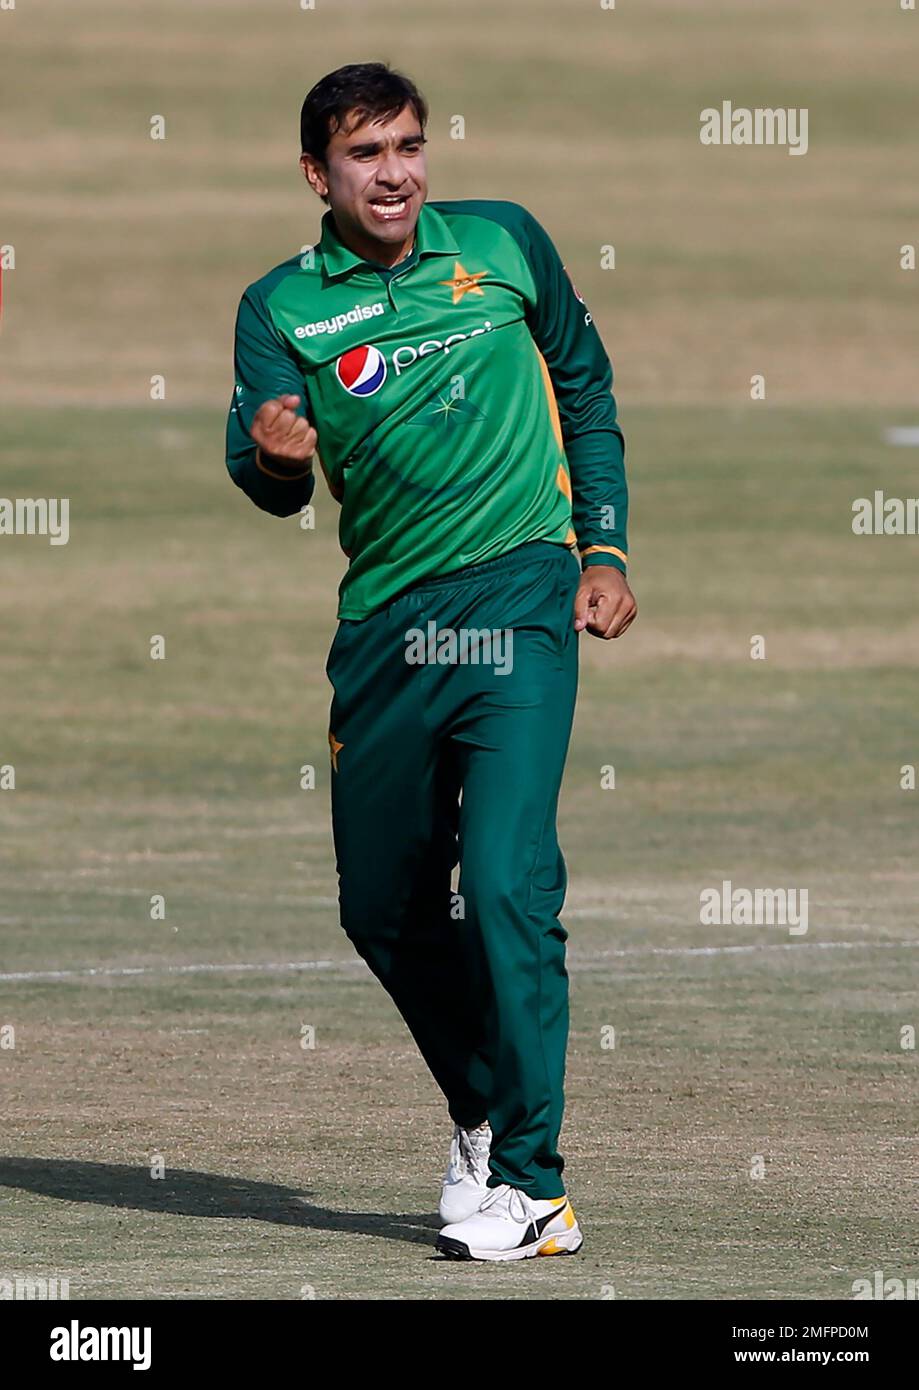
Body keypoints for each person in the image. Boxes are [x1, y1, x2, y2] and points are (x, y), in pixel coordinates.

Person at [225, 61, 636, 1262]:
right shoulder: (280, 309)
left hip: (520, 599)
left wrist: (601, 545)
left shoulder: (504, 244)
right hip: (387, 632)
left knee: (509, 879)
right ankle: (479, 1105)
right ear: (318, 173)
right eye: (365, 154)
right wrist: (280, 458)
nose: (394, 172)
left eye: (408, 146)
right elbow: (264, 480)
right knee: (380, 905)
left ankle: (536, 1185)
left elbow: (586, 385)